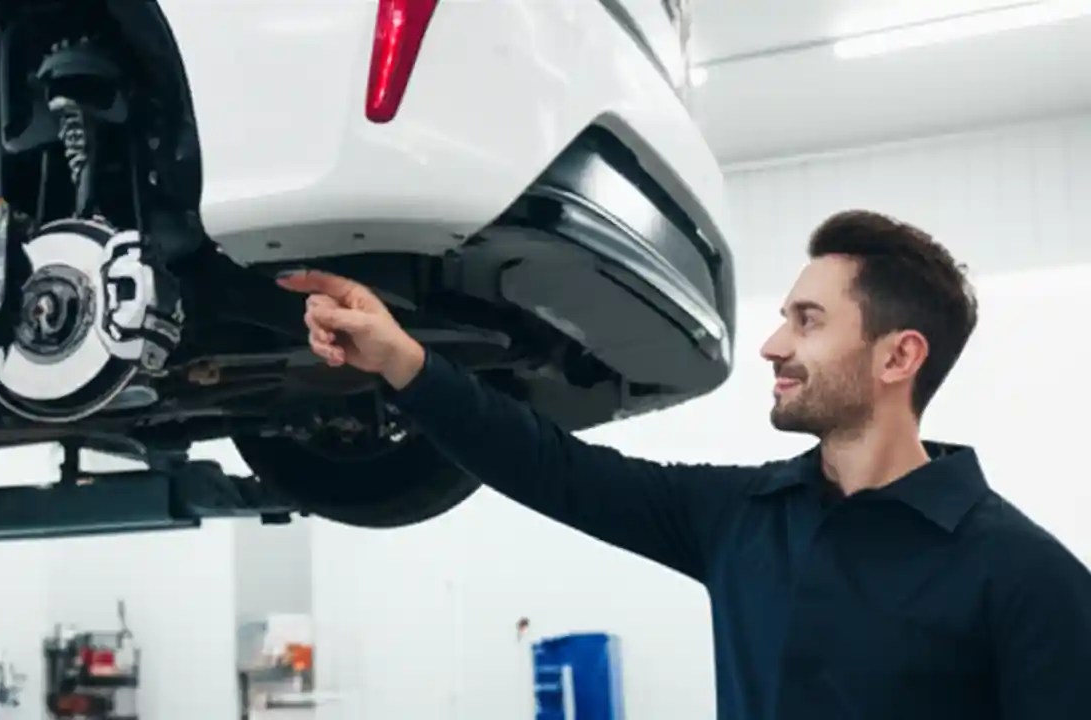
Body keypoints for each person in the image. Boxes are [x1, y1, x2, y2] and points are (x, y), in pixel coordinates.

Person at [276, 209, 1091, 719]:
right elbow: (551, 468)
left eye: (807, 321)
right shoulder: (743, 519)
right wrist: (404, 361)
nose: (773, 344)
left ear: (896, 357)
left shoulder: (1026, 578)